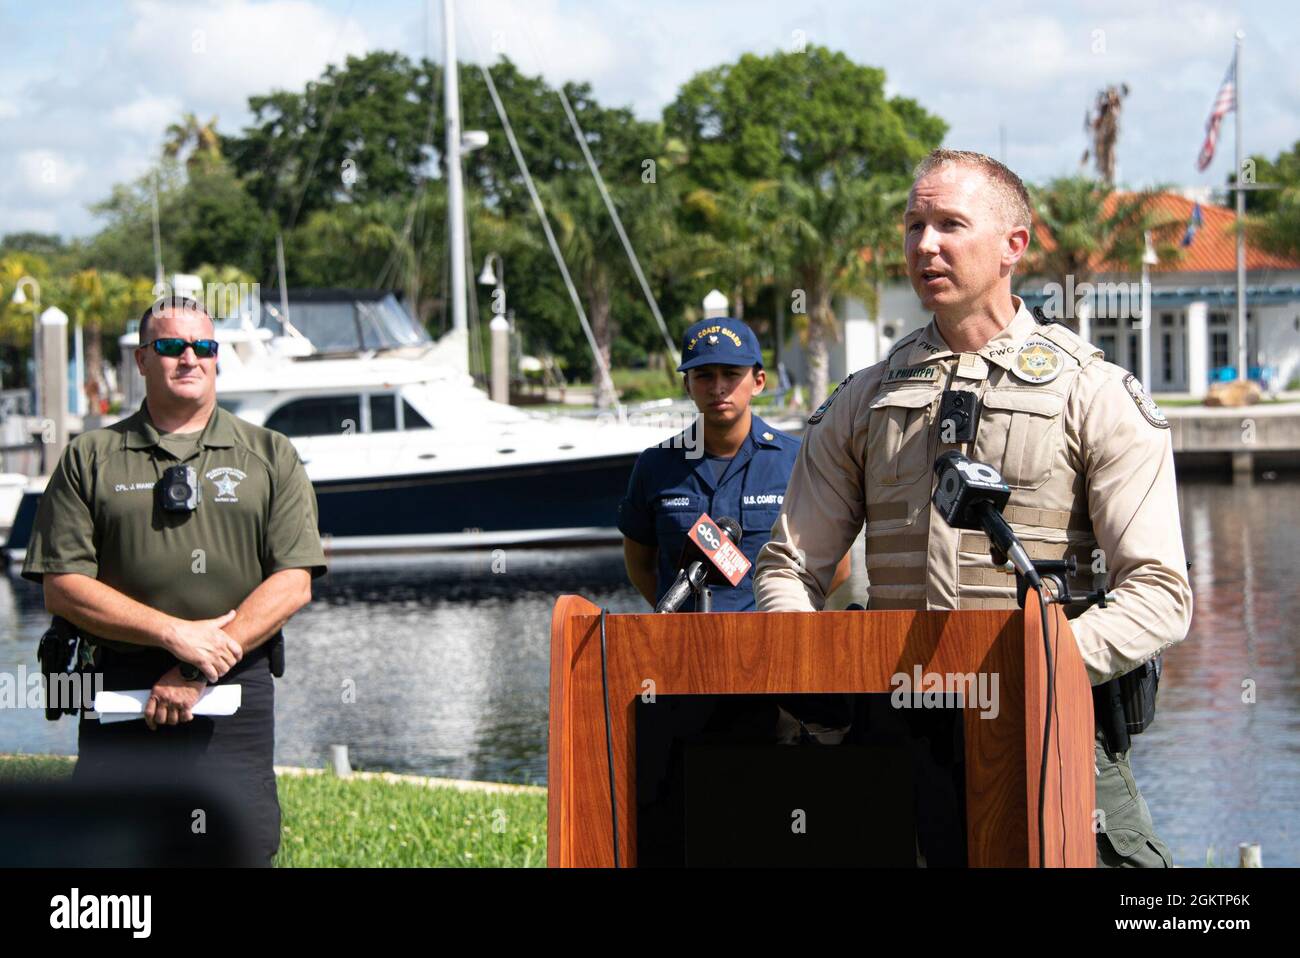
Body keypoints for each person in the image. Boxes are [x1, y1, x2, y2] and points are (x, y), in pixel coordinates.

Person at [754, 149, 1193, 867]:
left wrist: (1042, 664)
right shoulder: (863, 400)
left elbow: (1159, 595)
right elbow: (789, 565)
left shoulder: (1095, 392)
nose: (925, 244)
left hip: (1045, 729)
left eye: (950, 224)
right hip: (892, 742)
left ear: (1012, 246)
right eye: (913, 224)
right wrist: (815, 666)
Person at [22, 296, 327, 866]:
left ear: (216, 359)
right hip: (116, 688)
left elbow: (294, 581)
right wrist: (173, 635)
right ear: (142, 360)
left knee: (238, 844)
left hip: (233, 684)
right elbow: (62, 585)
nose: (189, 357)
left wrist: (194, 666)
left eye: (203, 347)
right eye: (170, 346)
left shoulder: (269, 454)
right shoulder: (89, 457)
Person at [619, 316, 849, 612]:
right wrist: (678, 623)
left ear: (758, 382)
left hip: (770, 646)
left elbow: (838, 569)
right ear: (687, 385)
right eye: (703, 375)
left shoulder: (797, 461)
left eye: (731, 374)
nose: (718, 388)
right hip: (682, 650)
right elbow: (640, 568)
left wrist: (788, 623)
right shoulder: (656, 466)